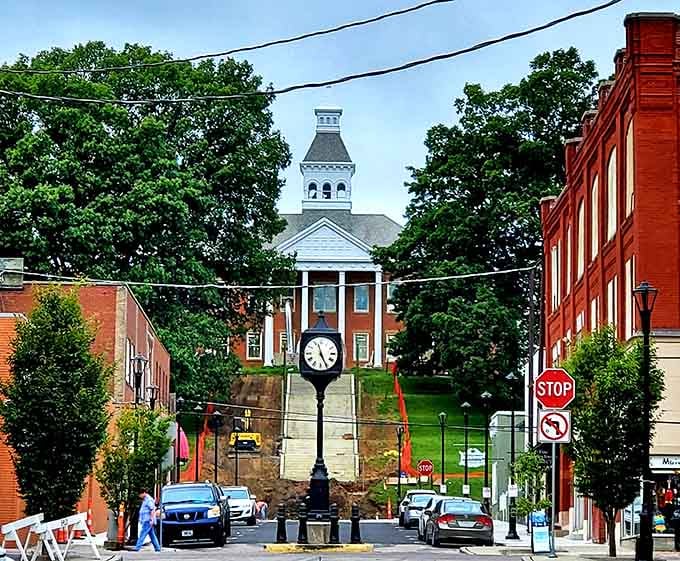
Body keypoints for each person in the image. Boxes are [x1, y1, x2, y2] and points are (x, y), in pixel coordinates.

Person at [134, 488, 161, 552]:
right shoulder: (145, 499)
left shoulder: (148, 499)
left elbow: (152, 509)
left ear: (143, 493)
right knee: (152, 535)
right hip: (146, 520)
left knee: (142, 534)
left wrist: (151, 519)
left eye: (140, 495)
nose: (139, 496)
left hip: (148, 520)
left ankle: (137, 547)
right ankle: (157, 548)